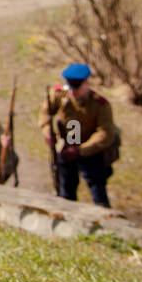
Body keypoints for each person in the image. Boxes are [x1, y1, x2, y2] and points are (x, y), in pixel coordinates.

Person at [39, 62, 117, 207]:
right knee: (66, 192)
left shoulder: (100, 104)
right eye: (70, 87)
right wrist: (47, 132)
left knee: (98, 192)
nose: (72, 92)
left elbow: (105, 133)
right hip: (68, 146)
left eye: (77, 87)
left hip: (91, 150)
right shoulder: (60, 94)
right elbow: (45, 113)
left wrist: (81, 151)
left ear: (86, 83)